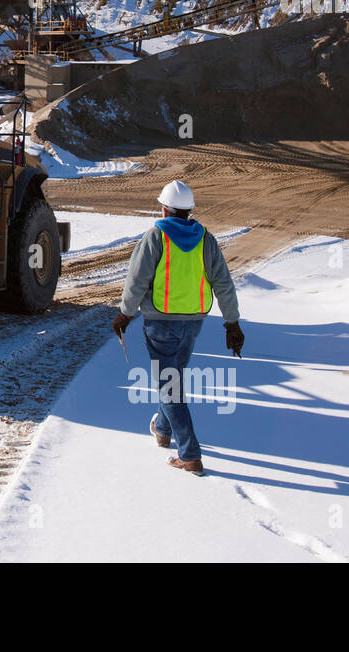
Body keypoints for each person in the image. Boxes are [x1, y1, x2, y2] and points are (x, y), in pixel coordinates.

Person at [112, 180, 244, 476]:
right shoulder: (206, 239)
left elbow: (136, 280)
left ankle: (190, 455)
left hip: (160, 323)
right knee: (172, 379)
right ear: (189, 211)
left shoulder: (156, 236)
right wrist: (232, 322)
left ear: (163, 208)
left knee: (169, 386)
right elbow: (223, 282)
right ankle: (162, 430)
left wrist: (125, 314)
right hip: (193, 323)